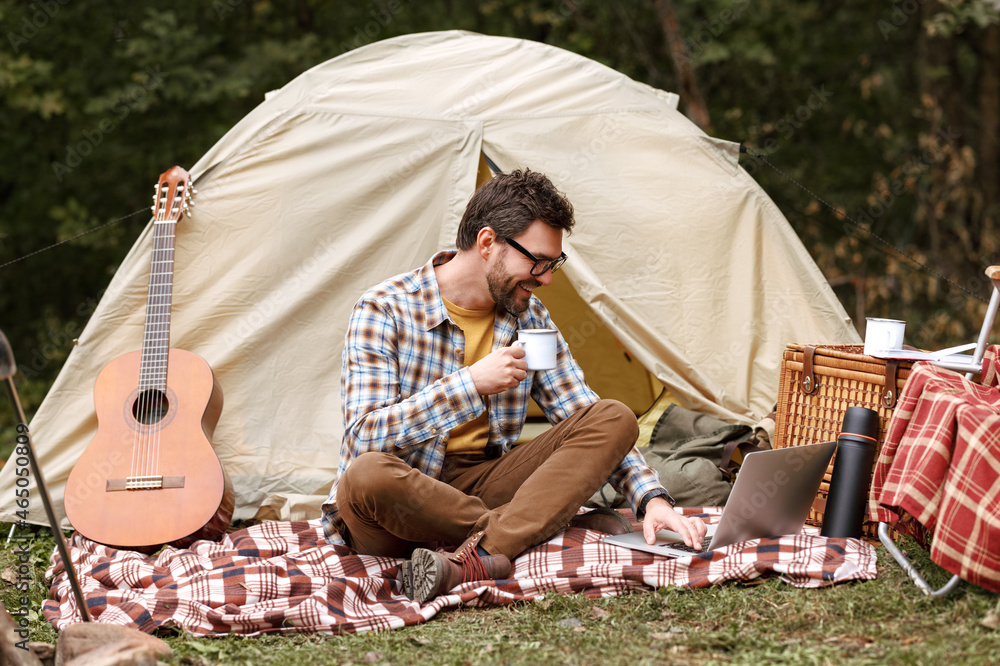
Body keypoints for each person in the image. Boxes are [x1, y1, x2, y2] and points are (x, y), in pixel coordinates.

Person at [321, 169, 706, 603]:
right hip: (401, 501)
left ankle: (482, 553)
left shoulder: (529, 318)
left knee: (613, 417)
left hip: (484, 479)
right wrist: (470, 384)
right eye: (537, 262)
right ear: (488, 244)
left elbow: (580, 408)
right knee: (366, 476)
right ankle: (545, 521)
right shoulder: (384, 309)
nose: (546, 279)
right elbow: (365, 435)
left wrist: (651, 499)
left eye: (553, 264)